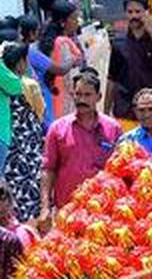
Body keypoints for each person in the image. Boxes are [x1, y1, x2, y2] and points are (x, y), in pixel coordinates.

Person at [39, 68, 122, 229]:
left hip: (103, 213)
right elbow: (48, 170)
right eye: (78, 94)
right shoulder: (58, 128)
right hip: (67, 211)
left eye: (87, 95)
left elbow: (119, 171)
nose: (81, 99)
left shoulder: (113, 129)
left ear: (99, 97)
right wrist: (45, 207)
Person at [108, 0, 152, 130]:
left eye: (138, 11)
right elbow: (112, 79)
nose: (134, 16)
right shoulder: (118, 41)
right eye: (130, 12)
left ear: (147, 12)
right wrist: (105, 112)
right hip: (126, 111)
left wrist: (151, 31)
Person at [0, 43, 43, 223]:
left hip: (13, 141)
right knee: (27, 181)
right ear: (20, 62)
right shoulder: (29, 85)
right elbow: (15, 87)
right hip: (22, 141)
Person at [35, 0, 84, 122]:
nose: (77, 22)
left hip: (53, 98)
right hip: (64, 100)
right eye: (74, 18)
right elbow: (68, 80)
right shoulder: (62, 43)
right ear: (63, 22)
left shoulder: (51, 41)